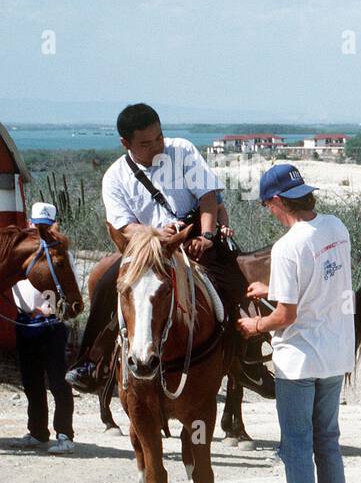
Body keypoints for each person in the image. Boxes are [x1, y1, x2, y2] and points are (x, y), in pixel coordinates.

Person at [65, 103, 268, 394]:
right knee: (108, 284)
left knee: (238, 283)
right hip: (149, 250)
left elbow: (208, 197)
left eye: (159, 137)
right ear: (126, 143)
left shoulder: (182, 150)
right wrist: (156, 235)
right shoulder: (115, 177)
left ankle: (246, 361)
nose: (157, 146)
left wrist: (208, 236)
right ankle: (91, 361)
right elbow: (123, 227)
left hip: (197, 240)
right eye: (146, 143)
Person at [236, 164, 354, 483]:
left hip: (300, 359)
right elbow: (323, 282)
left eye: (267, 205)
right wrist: (275, 288)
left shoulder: (287, 247)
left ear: (275, 202)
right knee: (328, 441)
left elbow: (284, 317)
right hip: (335, 353)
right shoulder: (336, 227)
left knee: (298, 446)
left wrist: (254, 324)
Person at [9, 202, 75, 454]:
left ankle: (64, 434)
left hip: (51, 323)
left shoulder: (60, 253)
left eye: (46, 226)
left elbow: (68, 286)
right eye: (37, 225)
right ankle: (38, 431)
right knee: (31, 380)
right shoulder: (20, 254)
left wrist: (51, 309)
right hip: (25, 322)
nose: (41, 230)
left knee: (58, 382)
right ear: (29, 224)